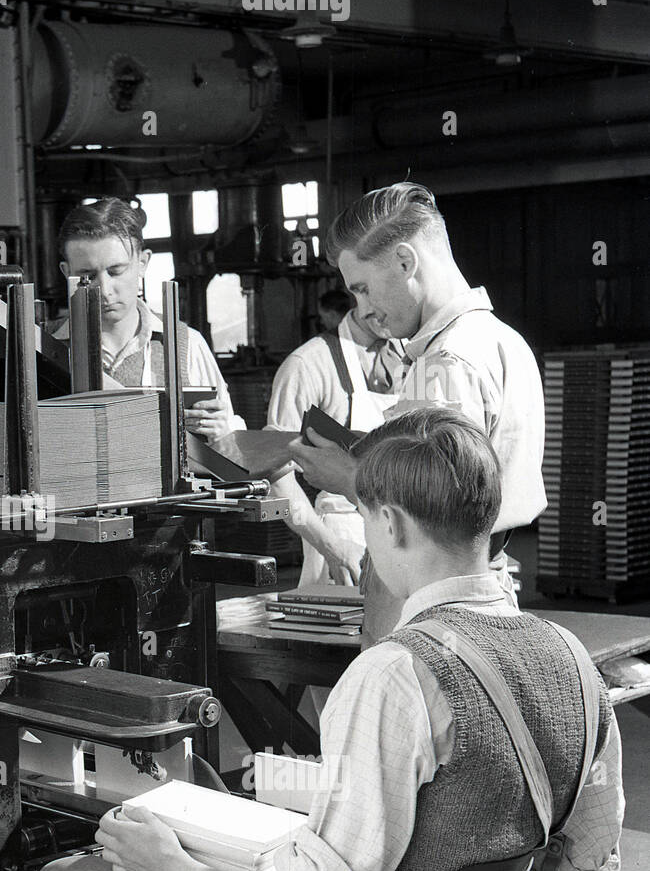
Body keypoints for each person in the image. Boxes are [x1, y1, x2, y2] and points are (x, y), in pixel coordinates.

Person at [9, 408, 623, 871]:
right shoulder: (566, 655)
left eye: (366, 523)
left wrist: (168, 868)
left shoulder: (397, 675)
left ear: (390, 524)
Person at [288, 181, 546, 644]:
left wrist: (345, 476)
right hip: (479, 590)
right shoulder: (502, 339)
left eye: (364, 289)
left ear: (406, 262)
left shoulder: (445, 363)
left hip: (431, 606)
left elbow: (429, 517)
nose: (364, 311)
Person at [53, 198, 245, 442]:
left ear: (143, 263)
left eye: (116, 271)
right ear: (66, 272)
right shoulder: (42, 348)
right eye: (87, 275)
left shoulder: (187, 345)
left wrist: (221, 434)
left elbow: (231, 442)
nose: (104, 289)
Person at [266, 290, 406, 586]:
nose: (385, 310)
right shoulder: (308, 364)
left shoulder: (417, 357)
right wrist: (330, 546)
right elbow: (276, 476)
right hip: (346, 539)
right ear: (357, 290)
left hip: (409, 535)